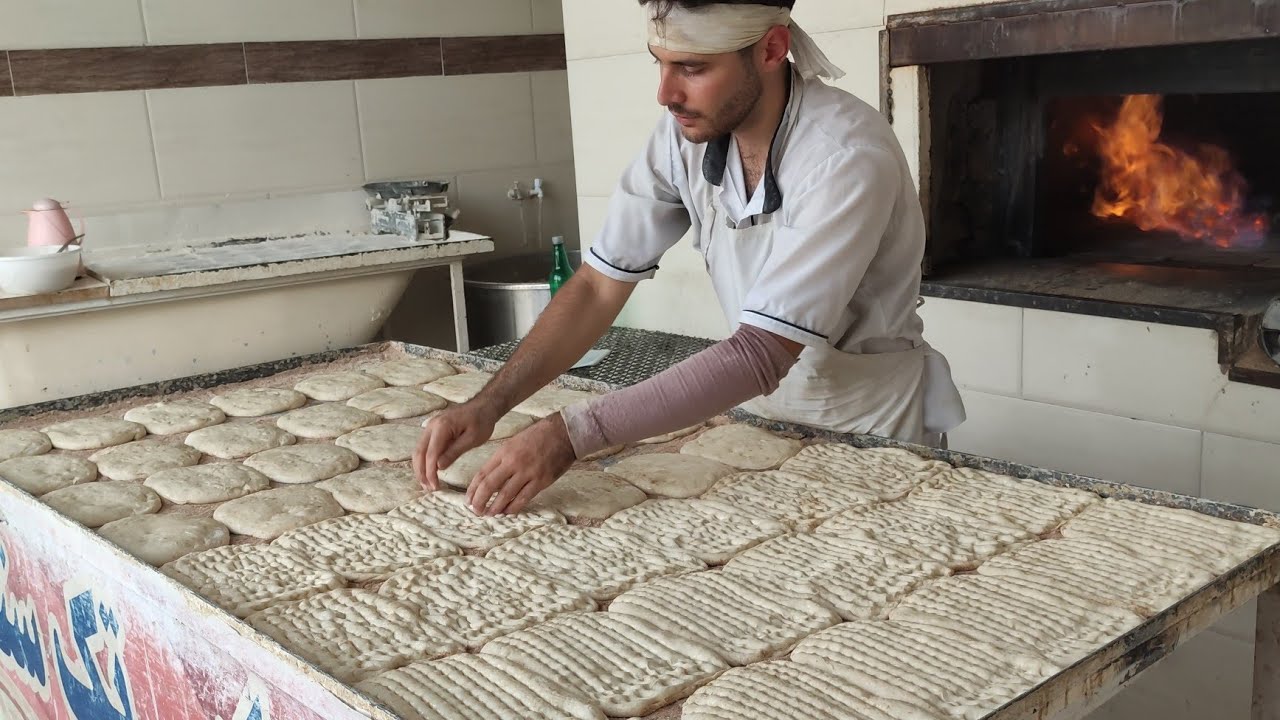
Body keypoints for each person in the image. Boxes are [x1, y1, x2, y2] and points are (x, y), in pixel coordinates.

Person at [414, 0, 966, 516]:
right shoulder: (683, 139)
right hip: (759, 427)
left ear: (772, 49)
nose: (666, 93)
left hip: (869, 434)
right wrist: (490, 404)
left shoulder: (844, 156)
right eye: (659, 63)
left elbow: (760, 355)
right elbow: (597, 286)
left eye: (692, 68)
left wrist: (569, 434)